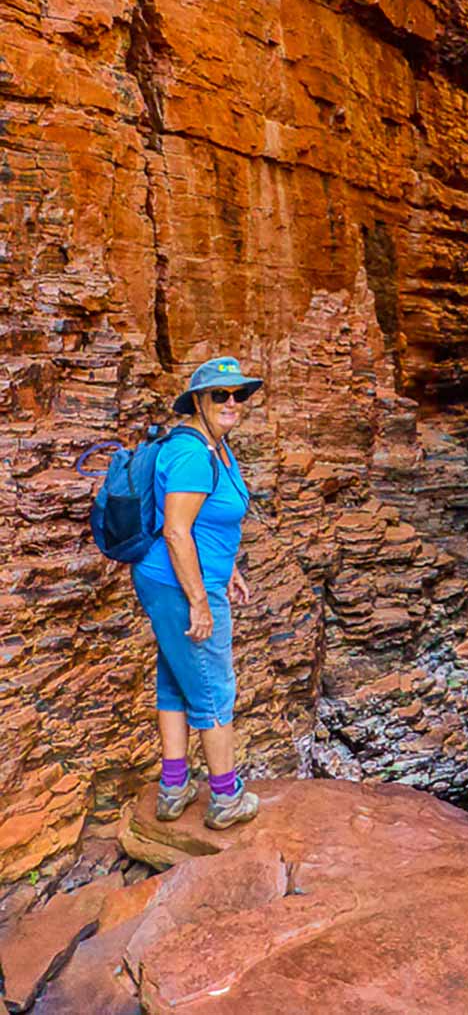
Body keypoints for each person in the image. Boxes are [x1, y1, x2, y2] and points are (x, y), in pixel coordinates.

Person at [132, 355, 263, 829]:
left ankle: (173, 788)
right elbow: (176, 532)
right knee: (212, 689)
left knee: (174, 678)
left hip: (182, 578)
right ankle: (225, 798)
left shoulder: (216, 446)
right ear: (198, 401)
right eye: (220, 395)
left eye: (239, 394)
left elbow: (210, 522)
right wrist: (200, 602)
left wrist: (227, 570)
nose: (232, 402)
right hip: (177, 584)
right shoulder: (192, 453)